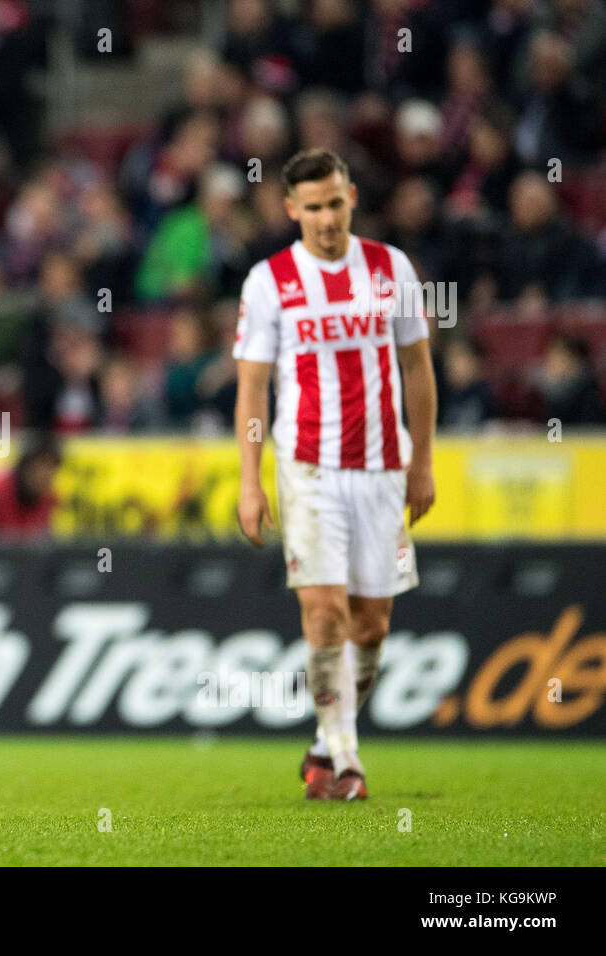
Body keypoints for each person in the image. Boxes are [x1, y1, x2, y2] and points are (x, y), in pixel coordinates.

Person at [233, 149, 437, 801]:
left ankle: (325, 740)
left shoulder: (390, 268)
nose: (326, 219)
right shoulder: (269, 281)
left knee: (371, 625)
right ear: (292, 210)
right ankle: (347, 760)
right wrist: (249, 478)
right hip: (308, 468)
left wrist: (423, 460)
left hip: (383, 467)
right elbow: (252, 390)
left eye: (335, 203)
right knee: (324, 615)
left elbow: (417, 369)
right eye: (312, 207)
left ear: (352, 196)